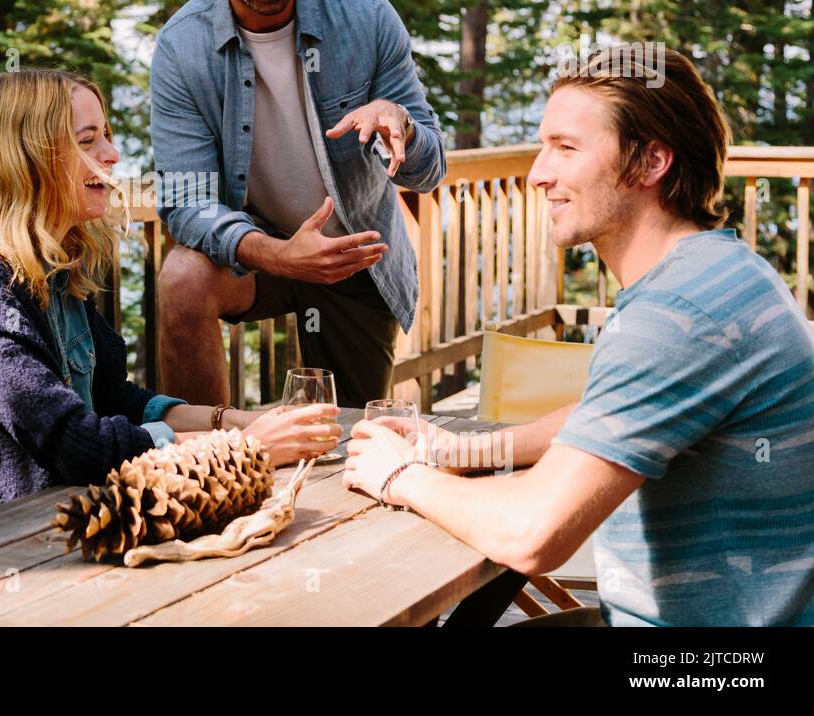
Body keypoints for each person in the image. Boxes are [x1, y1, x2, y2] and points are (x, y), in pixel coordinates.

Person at [344, 46, 814, 626]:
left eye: (566, 149)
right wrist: (454, 448)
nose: (539, 173)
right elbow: (604, 415)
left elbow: (533, 536)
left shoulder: (677, 313)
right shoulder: (719, 270)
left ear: (650, 163)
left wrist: (399, 475)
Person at [0, 68, 339, 514]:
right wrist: (240, 445)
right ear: (28, 157)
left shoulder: (55, 269)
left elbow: (116, 399)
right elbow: (73, 442)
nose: (111, 155)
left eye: (107, 136)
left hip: (67, 514)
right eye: (88, 139)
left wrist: (235, 421)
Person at [150, 0, 447, 409]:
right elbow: (185, 202)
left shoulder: (363, 13)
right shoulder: (182, 46)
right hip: (258, 254)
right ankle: (201, 458)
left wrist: (403, 126)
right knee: (183, 278)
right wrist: (277, 254)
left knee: (352, 438)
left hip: (354, 255)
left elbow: (433, 170)